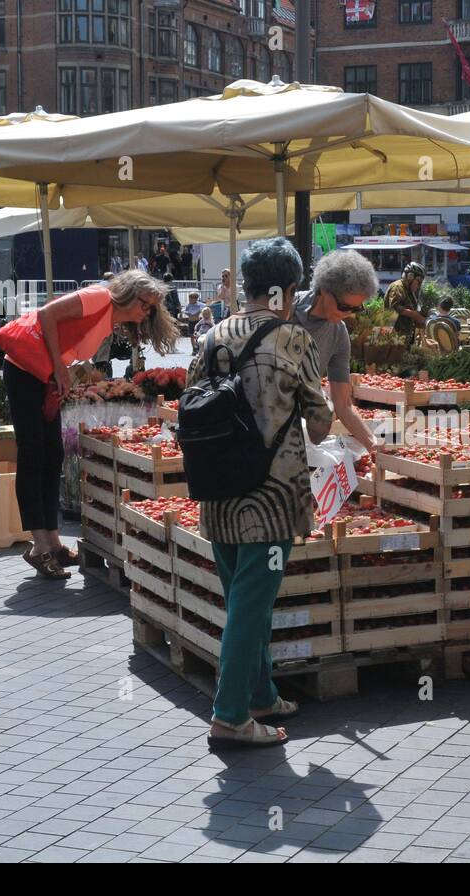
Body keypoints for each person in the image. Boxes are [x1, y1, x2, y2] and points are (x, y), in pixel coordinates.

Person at [193, 238, 333, 748]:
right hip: (271, 502)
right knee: (252, 608)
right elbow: (319, 425)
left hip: (218, 493)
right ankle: (229, 716)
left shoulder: (211, 336)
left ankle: (261, 695)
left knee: (244, 602)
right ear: (289, 290)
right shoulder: (294, 339)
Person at [0, 269, 179, 579]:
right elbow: (46, 314)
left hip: (43, 375)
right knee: (33, 454)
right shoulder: (99, 297)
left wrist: (66, 369)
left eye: (151, 308)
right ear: (131, 294)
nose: (147, 312)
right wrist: (59, 365)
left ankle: (52, 542)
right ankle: (39, 546)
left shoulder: (110, 317)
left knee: (52, 453)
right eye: (146, 304)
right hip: (25, 370)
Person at [288, 249, 382, 452]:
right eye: (343, 306)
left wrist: (373, 445)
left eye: (355, 309)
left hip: (298, 430)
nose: (347, 314)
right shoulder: (285, 309)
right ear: (323, 289)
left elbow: (343, 405)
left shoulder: (339, 335)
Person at [386, 261, 428, 347]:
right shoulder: (398, 287)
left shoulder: (408, 290)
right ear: (410, 277)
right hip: (395, 337)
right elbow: (394, 307)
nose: (419, 285)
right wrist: (414, 315)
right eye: (418, 281)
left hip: (405, 336)